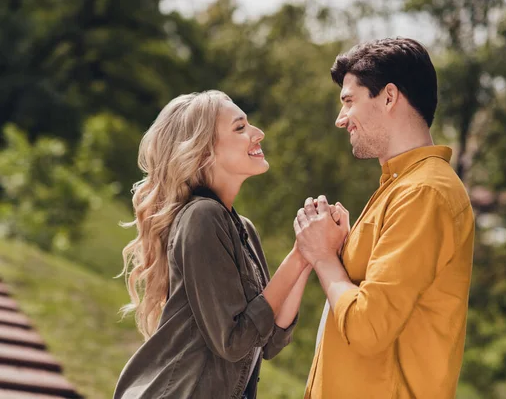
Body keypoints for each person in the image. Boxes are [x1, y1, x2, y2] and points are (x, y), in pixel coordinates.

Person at [114, 90, 327, 399]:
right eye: (240, 128)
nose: (258, 134)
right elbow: (233, 342)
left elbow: (270, 340)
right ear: (203, 153)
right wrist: (296, 256)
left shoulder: (242, 229)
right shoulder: (202, 217)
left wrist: (307, 253)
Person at [294, 38, 476, 398]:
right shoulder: (400, 187)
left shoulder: (424, 193)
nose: (340, 119)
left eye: (349, 101)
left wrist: (324, 258)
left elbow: (368, 328)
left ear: (389, 97)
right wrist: (342, 250)